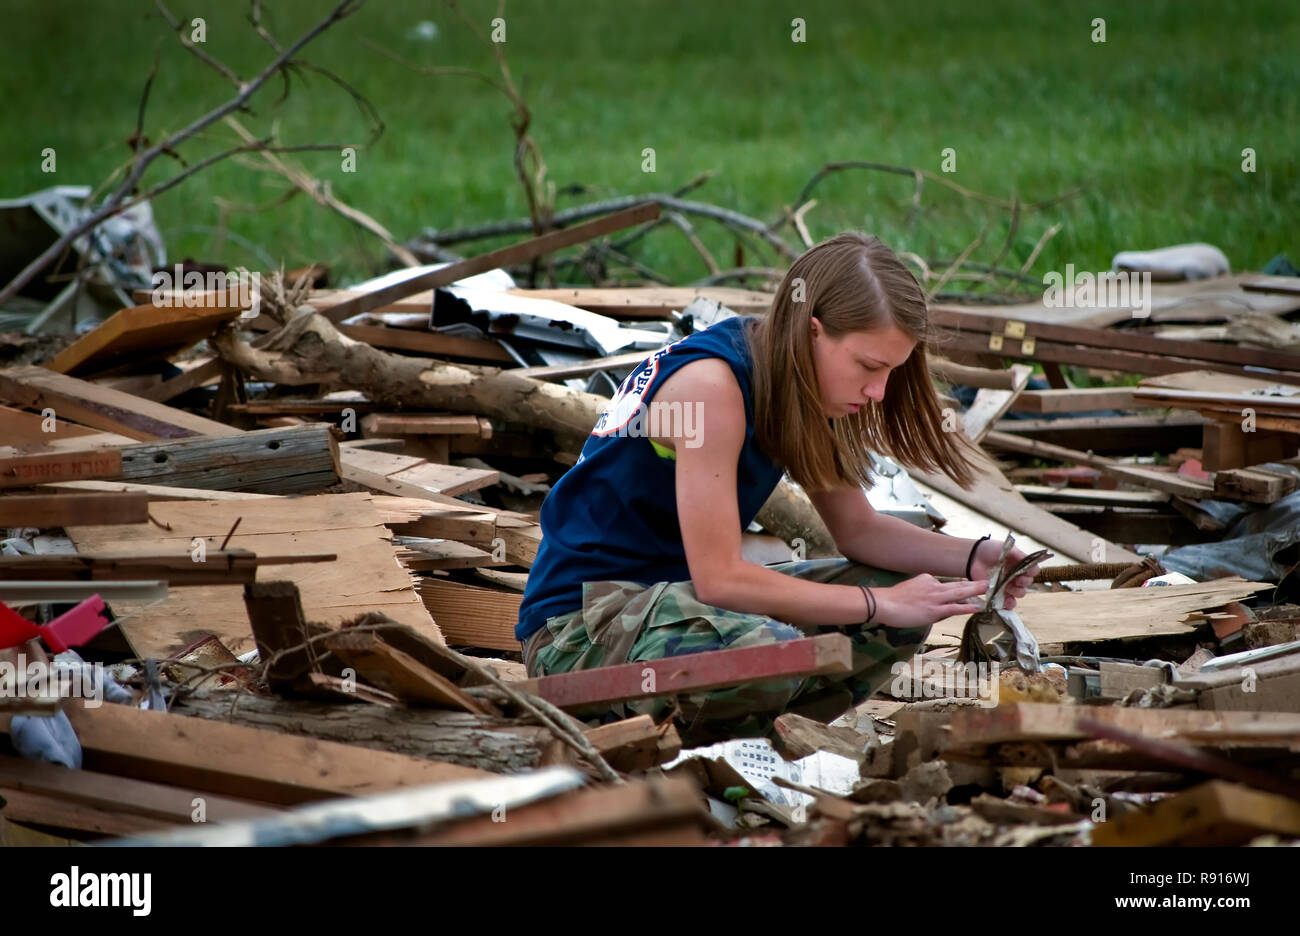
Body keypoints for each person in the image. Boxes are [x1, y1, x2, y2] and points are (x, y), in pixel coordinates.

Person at [516, 232, 1041, 744]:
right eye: (869, 366)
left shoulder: (799, 379)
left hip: (676, 608)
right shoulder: (710, 389)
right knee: (771, 651)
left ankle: (764, 741)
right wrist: (879, 604)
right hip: (577, 630)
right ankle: (702, 743)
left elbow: (857, 531)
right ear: (814, 331)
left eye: (890, 372)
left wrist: (976, 555)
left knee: (902, 584)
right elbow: (720, 579)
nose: (878, 392)